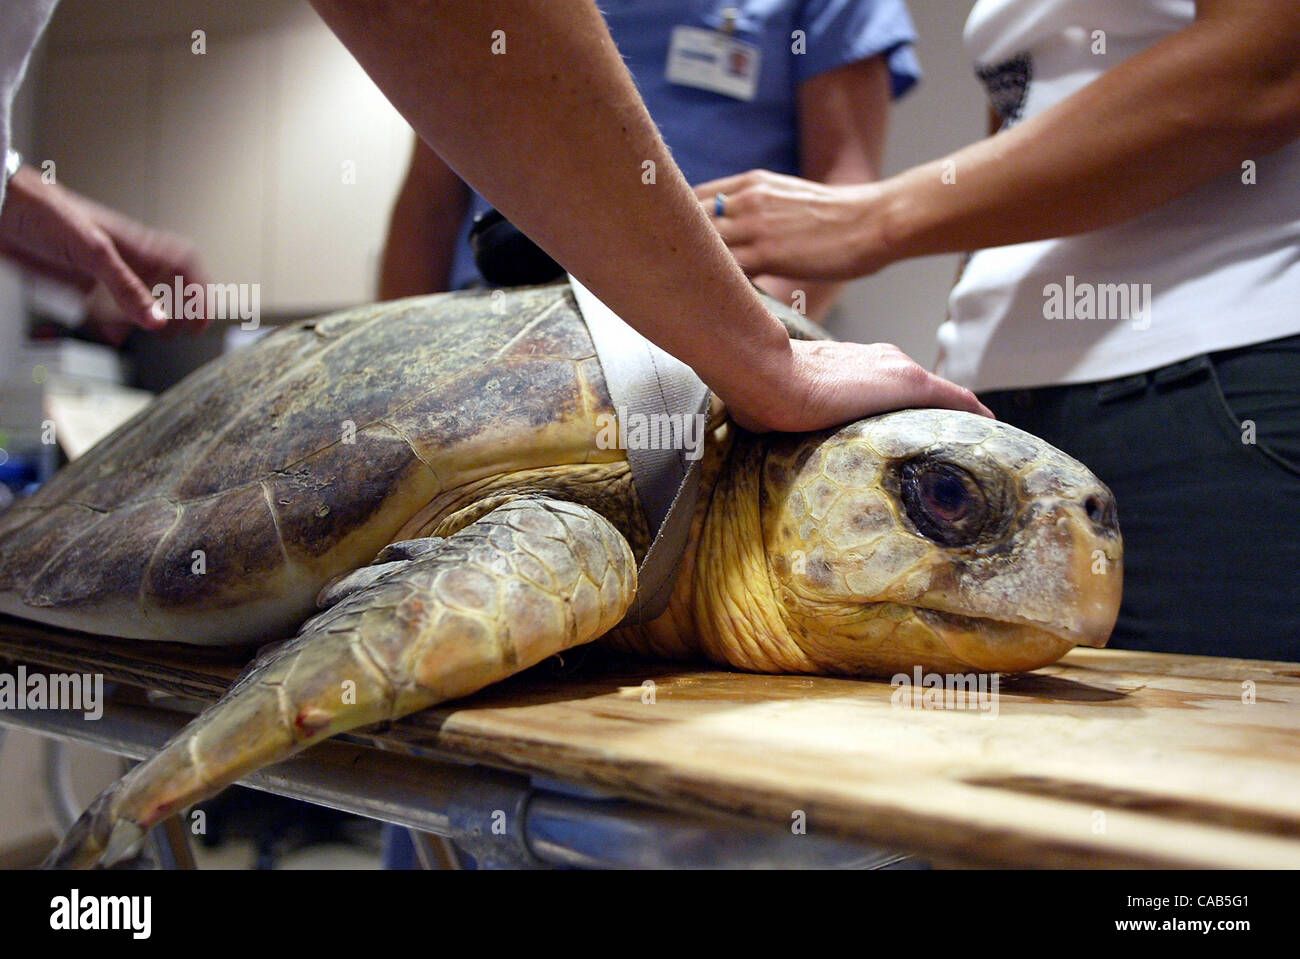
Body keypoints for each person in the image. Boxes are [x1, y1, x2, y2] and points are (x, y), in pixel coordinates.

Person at [692, 0, 1300, 660]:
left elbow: (1270, 62)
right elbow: (1022, 135)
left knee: (1183, 753)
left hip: (1206, 385)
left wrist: (873, 219)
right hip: (1000, 410)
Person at [379, 0, 920, 325]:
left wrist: (739, 358)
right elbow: (430, 203)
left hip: (715, 332)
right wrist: (397, 361)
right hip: (485, 332)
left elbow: (839, 191)